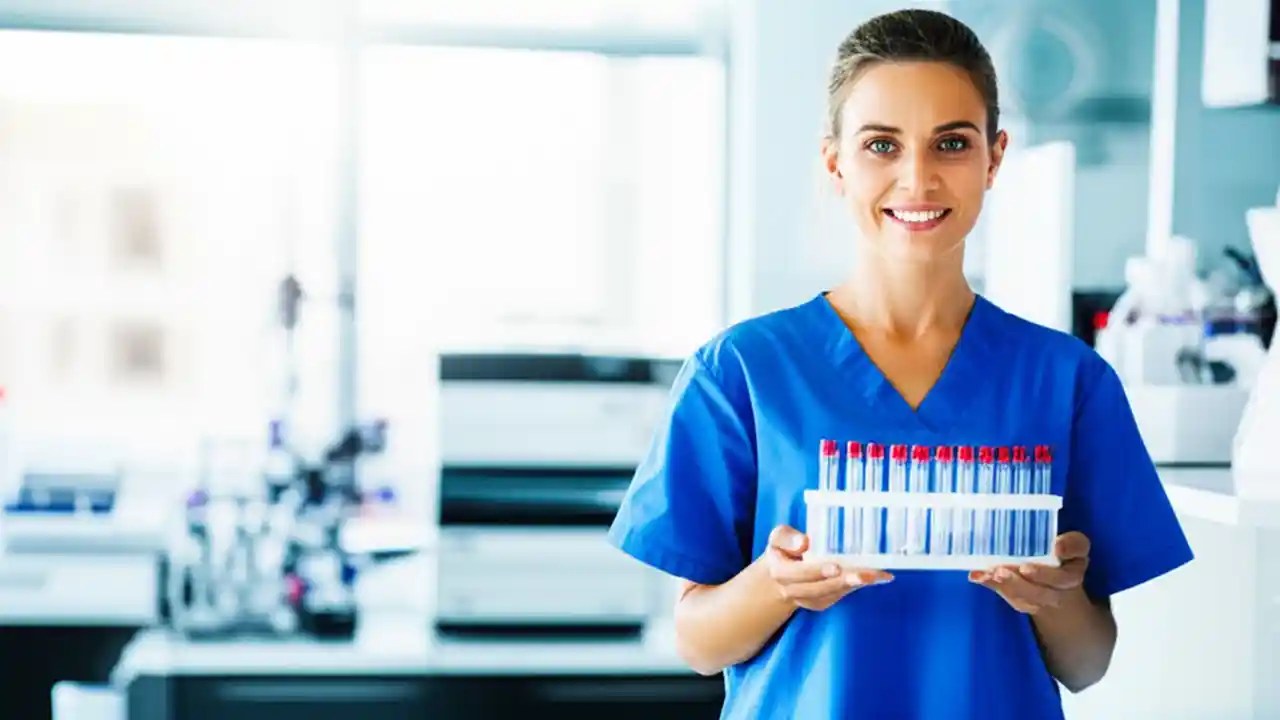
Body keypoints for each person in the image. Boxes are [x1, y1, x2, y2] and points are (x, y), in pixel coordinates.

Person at [606, 8, 1193, 720]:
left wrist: (1054, 597)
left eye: (952, 143)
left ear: (994, 158)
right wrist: (777, 583)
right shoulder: (742, 371)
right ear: (835, 162)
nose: (918, 178)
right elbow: (698, 644)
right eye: (881, 145)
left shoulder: (1068, 381)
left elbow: (1088, 662)